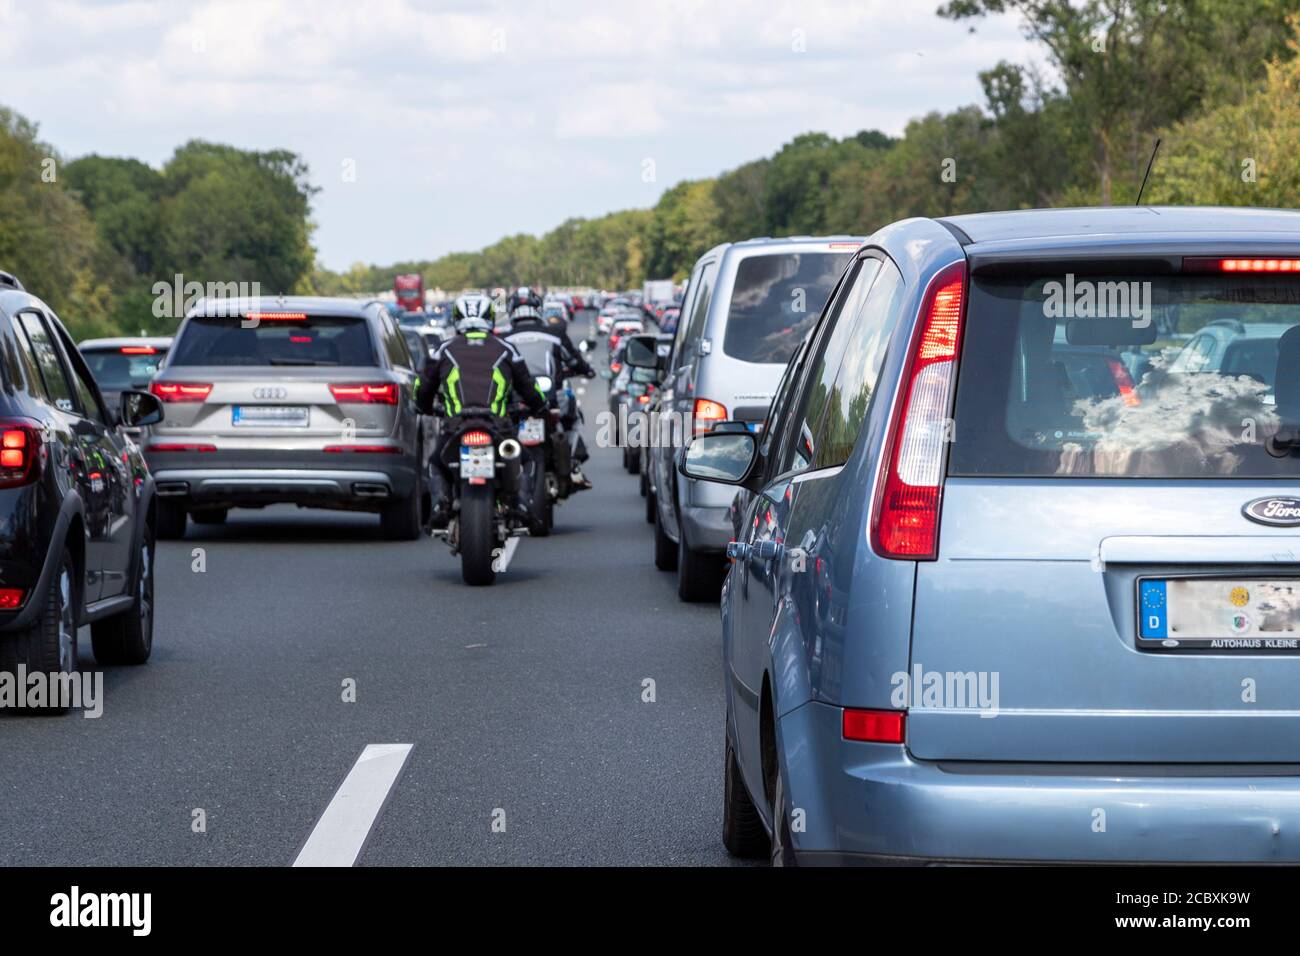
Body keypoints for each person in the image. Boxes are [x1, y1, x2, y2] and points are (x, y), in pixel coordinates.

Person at [417, 292, 548, 529]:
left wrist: (423, 407)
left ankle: (440, 504)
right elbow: (529, 387)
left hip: (455, 427)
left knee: (435, 463)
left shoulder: (442, 350)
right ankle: (521, 502)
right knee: (528, 461)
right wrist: (540, 407)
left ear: (457, 318)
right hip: (498, 427)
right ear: (490, 318)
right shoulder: (507, 349)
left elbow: (423, 387)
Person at [503, 286, 595, 490]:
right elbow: (574, 360)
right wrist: (586, 370)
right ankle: (573, 467)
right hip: (543, 400)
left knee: (570, 412)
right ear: (538, 309)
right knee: (572, 417)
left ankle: (571, 465)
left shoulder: (503, 339)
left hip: (516, 402)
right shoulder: (554, 334)